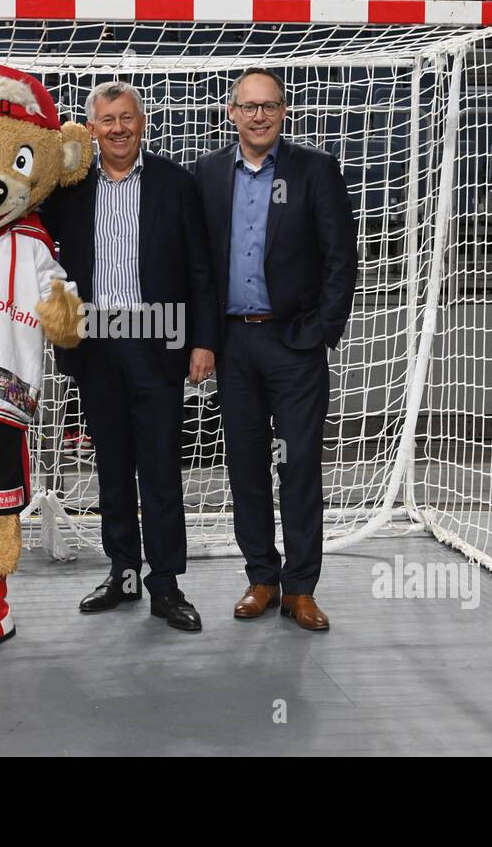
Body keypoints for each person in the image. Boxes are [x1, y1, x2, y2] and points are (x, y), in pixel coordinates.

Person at [42, 81, 218, 632]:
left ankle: (165, 585)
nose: (117, 129)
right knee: (112, 467)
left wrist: (203, 341)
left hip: (157, 341)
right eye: (106, 120)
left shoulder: (175, 184)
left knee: (160, 469)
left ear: (142, 123)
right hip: (95, 346)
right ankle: (122, 573)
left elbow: (200, 270)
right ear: (90, 129)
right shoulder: (70, 192)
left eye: (127, 118)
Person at [193, 67, 358, 631]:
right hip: (233, 347)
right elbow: (200, 269)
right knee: (245, 467)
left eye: (270, 106)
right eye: (249, 106)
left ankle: (301, 588)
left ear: (283, 112)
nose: (259, 115)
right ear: (231, 113)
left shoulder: (316, 171)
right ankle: (261, 577)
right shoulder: (209, 176)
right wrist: (204, 339)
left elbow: (342, 260)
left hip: (294, 346)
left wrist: (321, 332)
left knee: (299, 466)